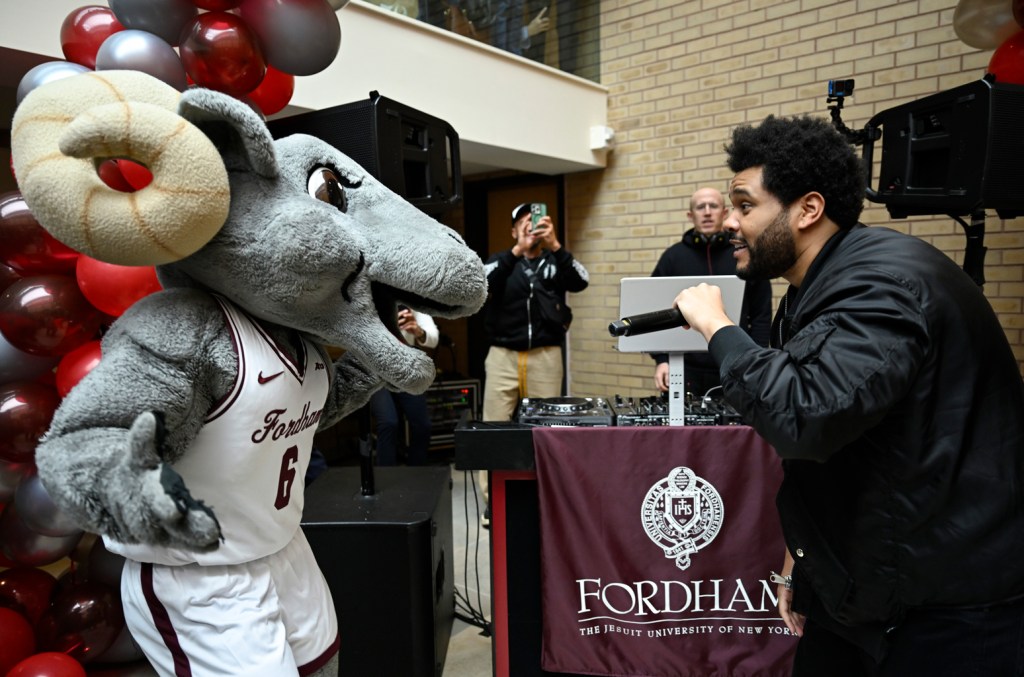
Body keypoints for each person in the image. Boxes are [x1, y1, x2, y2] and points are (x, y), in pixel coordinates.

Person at [672, 114, 1024, 676]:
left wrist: (718, 327)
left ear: (808, 209)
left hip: (946, 603)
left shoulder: (879, 284)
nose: (730, 223)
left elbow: (804, 416)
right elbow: (845, 431)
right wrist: (806, 555)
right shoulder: (818, 285)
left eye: (744, 205)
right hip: (865, 580)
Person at [650, 186, 772, 396]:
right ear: (691, 215)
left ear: (724, 213)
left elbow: (761, 315)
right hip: (684, 368)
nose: (707, 212)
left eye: (713, 206)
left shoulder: (744, 254)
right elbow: (656, 312)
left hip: (737, 364)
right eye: (700, 207)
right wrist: (662, 360)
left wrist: (756, 360)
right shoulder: (672, 257)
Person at [481, 202, 589, 422]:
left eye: (534, 221)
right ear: (514, 232)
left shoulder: (556, 261)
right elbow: (481, 284)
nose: (530, 226)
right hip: (503, 356)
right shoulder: (501, 261)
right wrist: (517, 250)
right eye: (523, 223)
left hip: (545, 356)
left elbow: (581, 281)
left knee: (546, 424)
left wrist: (555, 245)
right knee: (494, 424)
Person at [369, 307, 439, 465]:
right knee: (388, 422)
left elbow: (433, 338)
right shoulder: (366, 295)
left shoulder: (409, 298)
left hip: (405, 364)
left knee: (422, 425)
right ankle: (386, 476)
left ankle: (416, 473)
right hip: (373, 365)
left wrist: (418, 331)